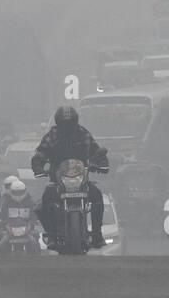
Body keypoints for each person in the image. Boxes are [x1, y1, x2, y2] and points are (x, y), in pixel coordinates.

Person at [31, 105, 110, 249]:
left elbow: (95, 149)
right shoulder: (52, 135)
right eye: (63, 123)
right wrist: (38, 166)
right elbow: (41, 152)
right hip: (58, 181)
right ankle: (52, 235)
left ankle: (97, 234)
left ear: (75, 122)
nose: (67, 127)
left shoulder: (83, 133)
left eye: (69, 123)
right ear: (58, 123)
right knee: (45, 200)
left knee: (97, 195)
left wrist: (101, 162)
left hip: (81, 180)